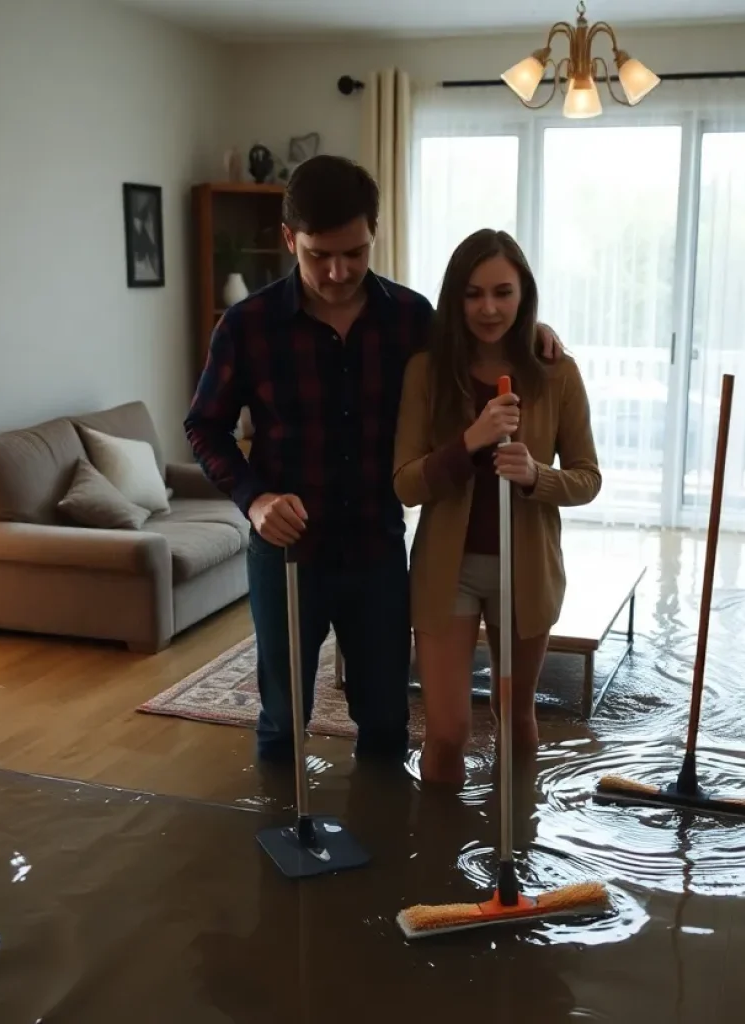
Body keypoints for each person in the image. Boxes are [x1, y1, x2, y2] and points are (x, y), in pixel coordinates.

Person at [184, 156, 561, 765]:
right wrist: (254, 499)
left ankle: (388, 854)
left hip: (377, 553)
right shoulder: (247, 326)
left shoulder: (413, 319)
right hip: (287, 554)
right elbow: (204, 425)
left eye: (355, 253)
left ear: (375, 231)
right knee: (283, 718)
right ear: (289, 240)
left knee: (387, 719)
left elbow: (483, 339)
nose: (338, 271)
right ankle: (278, 845)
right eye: (318, 255)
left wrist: (537, 335)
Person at [392, 228, 602, 786]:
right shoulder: (428, 372)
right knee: (447, 730)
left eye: (503, 292)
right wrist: (470, 441)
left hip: (525, 570)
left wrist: (537, 476)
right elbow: (406, 485)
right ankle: (438, 859)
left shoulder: (556, 372)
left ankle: (518, 842)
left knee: (515, 714)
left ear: (524, 294)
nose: (488, 308)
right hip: (448, 573)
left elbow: (588, 478)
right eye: (473, 293)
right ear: (454, 298)